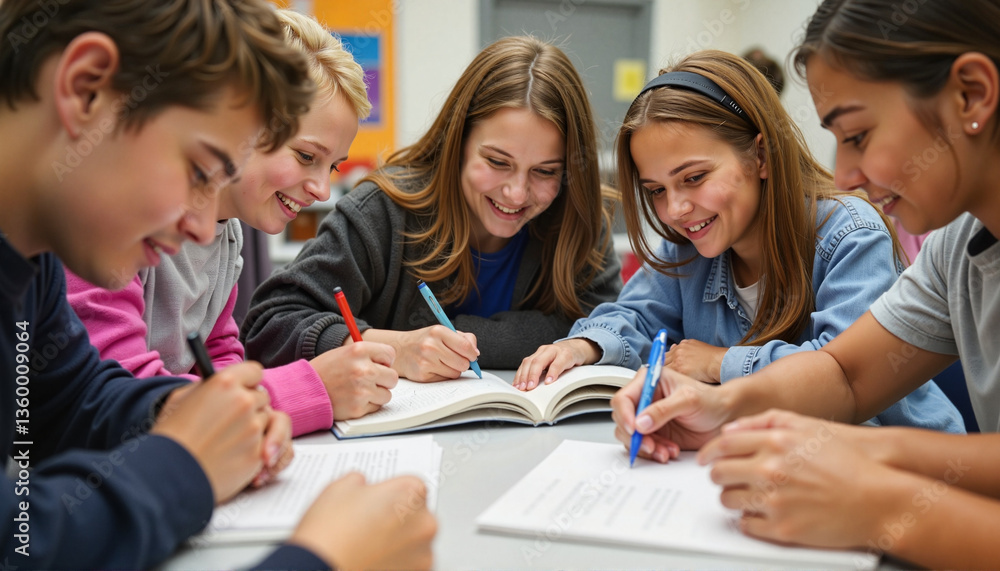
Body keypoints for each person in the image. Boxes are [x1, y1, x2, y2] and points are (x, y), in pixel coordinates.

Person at [0, 1, 434, 569]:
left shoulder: (32, 262)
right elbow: (24, 540)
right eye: (200, 170)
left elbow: (74, 402)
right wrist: (320, 558)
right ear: (86, 89)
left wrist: (210, 415)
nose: (204, 227)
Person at [609, 0, 1000, 567]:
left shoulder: (854, 230)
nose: (844, 175)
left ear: (971, 94)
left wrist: (881, 501)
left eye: (859, 134)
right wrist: (720, 408)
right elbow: (844, 372)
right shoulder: (955, 247)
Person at [514, 50, 961, 432]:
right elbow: (636, 317)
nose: (675, 210)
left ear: (761, 156)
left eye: (694, 177)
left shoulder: (847, 233)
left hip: (901, 464)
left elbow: (838, 374)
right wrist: (584, 346)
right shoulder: (688, 245)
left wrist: (718, 362)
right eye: (656, 191)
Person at [64, 9, 397, 438]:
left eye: (331, 167)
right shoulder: (109, 215)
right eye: (305, 156)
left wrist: (250, 424)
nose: (320, 189)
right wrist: (308, 392)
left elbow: (220, 352)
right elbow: (120, 395)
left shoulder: (228, 233)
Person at [242, 36, 623, 382]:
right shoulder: (383, 212)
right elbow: (269, 326)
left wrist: (464, 334)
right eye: (496, 162)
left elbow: (606, 327)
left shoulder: (578, 217)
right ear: (457, 142)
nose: (517, 193)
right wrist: (394, 347)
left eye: (545, 172)